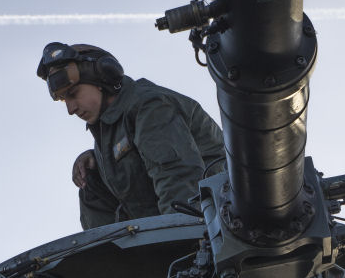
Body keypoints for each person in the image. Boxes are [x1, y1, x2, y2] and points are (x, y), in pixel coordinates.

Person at [37, 42, 226, 230]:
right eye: (64, 100)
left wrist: (177, 243)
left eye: (73, 94)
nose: (71, 109)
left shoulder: (149, 107)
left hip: (220, 225)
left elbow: (179, 182)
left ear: (102, 75)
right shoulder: (107, 140)